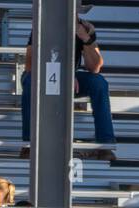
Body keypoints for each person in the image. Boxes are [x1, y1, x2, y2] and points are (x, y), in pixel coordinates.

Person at [21, 13, 116, 160]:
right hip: (41, 73)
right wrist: (65, 74)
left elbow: (95, 67)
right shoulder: (44, 23)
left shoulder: (84, 27)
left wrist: (86, 39)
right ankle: (29, 145)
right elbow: (30, 65)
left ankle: (105, 145)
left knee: (99, 83)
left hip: (71, 77)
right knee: (30, 82)